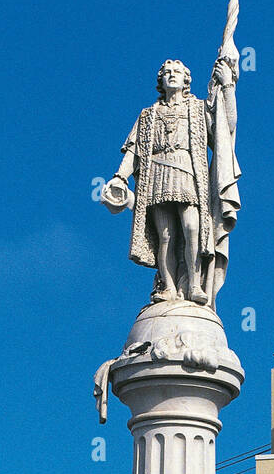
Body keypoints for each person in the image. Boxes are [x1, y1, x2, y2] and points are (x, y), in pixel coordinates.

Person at [103, 55, 240, 308]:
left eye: (177, 71)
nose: (172, 75)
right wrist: (120, 177)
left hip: (188, 173)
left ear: (187, 79)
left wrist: (228, 84)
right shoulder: (148, 115)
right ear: (161, 81)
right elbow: (134, 149)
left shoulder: (198, 108)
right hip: (157, 174)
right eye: (167, 72)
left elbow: (226, 127)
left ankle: (194, 284)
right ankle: (167, 286)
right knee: (165, 235)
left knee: (192, 228)